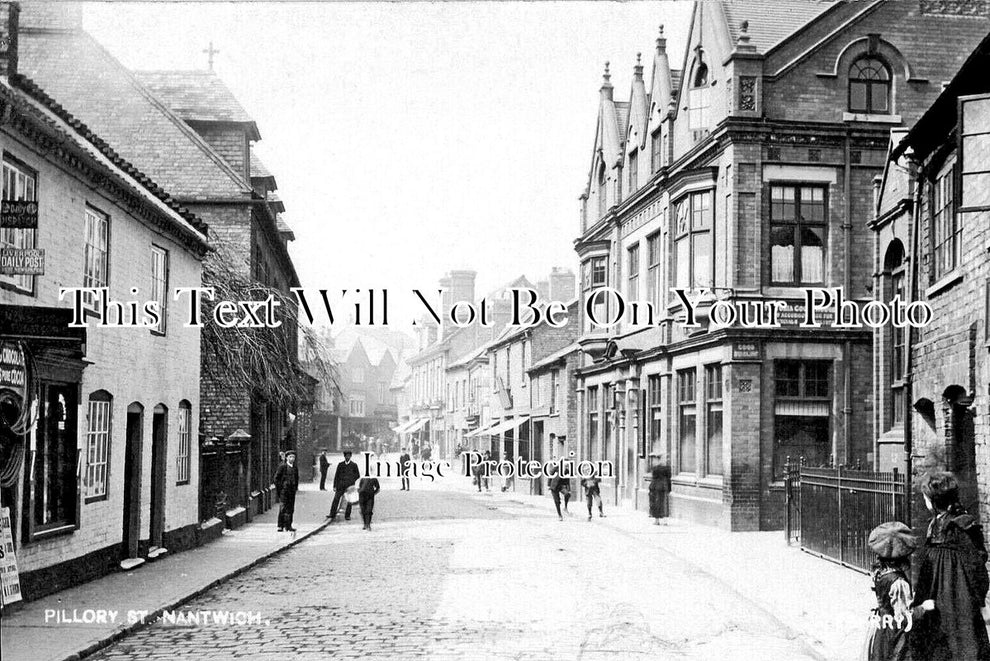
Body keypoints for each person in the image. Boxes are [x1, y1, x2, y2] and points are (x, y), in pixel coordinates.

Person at [910, 471, 990, 661]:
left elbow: (976, 564)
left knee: (959, 646)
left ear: (933, 500)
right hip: (939, 597)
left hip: (957, 598)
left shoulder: (961, 526)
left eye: (926, 497)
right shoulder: (935, 524)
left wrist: (976, 599)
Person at [862, 521, 935, 660]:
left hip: (882, 628)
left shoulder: (880, 572)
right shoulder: (898, 583)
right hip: (895, 634)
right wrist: (923, 608)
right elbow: (903, 618)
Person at [328, 450, 361, 521]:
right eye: (346, 456)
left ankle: (347, 515)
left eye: (349, 456)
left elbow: (357, 475)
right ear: (344, 456)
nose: (347, 457)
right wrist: (334, 486)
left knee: (349, 501)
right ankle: (332, 514)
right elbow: (336, 475)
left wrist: (352, 480)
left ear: (350, 456)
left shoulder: (354, 465)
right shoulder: (340, 465)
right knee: (336, 499)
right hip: (340, 486)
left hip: (349, 486)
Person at [274, 450, 299, 532]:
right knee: (283, 508)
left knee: (291, 508)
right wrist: (281, 489)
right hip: (284, 491)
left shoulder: (295, 468)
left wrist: (295, 488)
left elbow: (296, 478)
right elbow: (276, 479)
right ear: (287, 458)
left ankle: (289, 525)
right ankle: (280, 525)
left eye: (293, 457)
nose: (292, 459)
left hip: (292, 491)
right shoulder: (282, 467)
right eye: (290, 457)